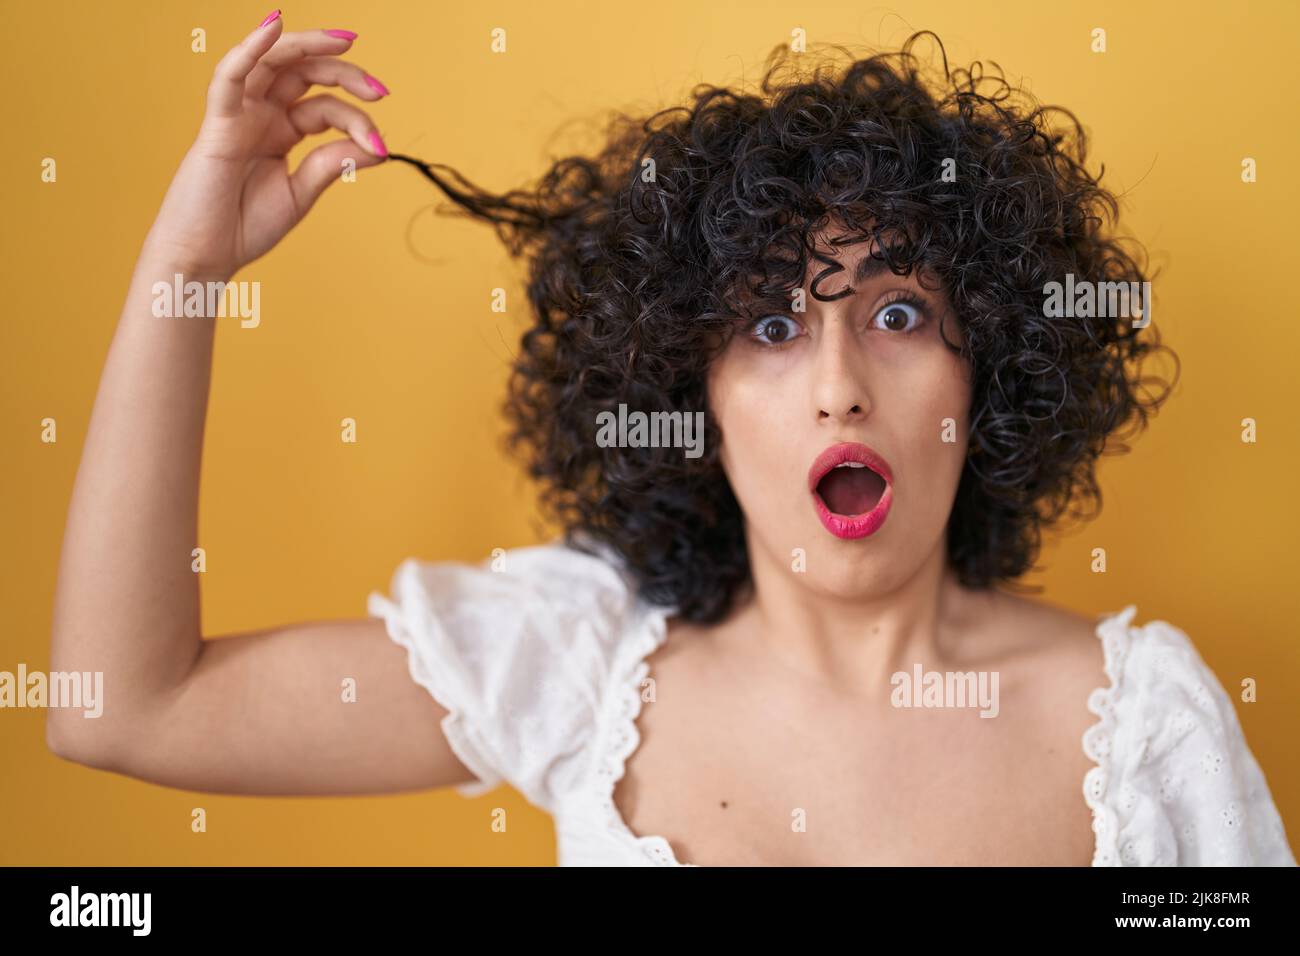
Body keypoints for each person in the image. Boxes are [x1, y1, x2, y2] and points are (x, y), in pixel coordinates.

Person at [46, 11, 1296, 867]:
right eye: (767, 323)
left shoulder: (1140, 726)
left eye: (900, 314)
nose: (838, 385)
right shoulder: (583, 663)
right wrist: (188, 268)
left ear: (996, 367)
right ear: (685, 389)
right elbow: (122, 706)